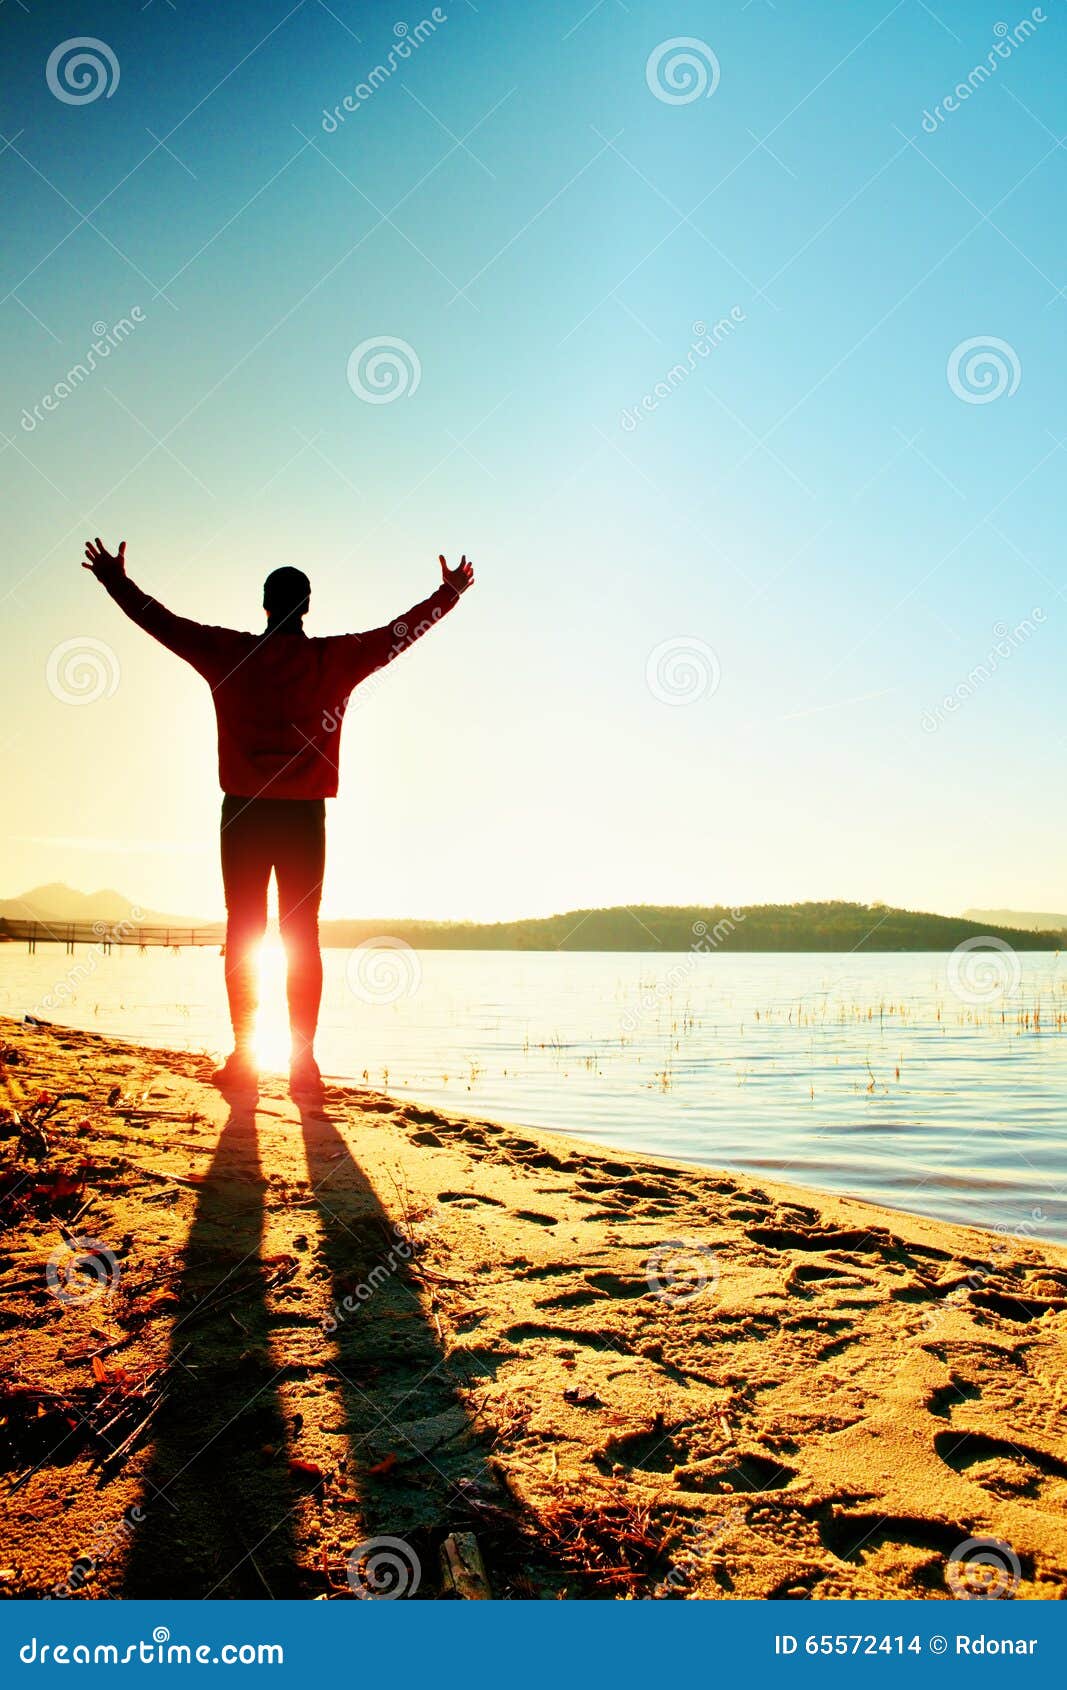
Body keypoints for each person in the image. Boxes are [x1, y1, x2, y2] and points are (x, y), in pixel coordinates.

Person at [81, 538, 475, 1097]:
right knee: (300, 936)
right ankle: (302, 1064)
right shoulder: (333, 661)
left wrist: (113, 579)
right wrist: (450, 592)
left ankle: (244, 1056)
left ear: (264, 605)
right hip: (302, 819)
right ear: (307, 607)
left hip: (243, 813)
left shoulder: (228, 653)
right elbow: (398, 635)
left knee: (244, 929)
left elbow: (162, 624)